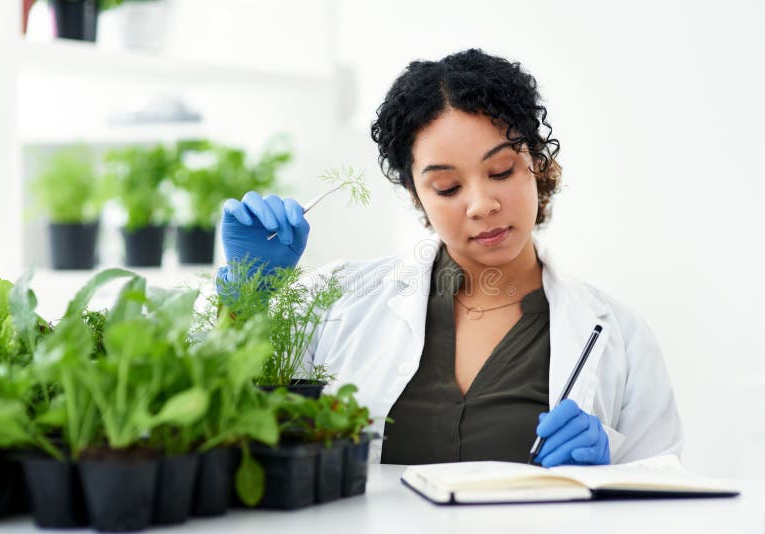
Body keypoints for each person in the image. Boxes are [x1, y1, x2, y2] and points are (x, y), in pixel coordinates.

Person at [217, 48, 683, 466]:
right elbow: (227, 428)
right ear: (416, 194)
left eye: (501, 170)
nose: (481, 204)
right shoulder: (343, 303)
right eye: (448, 187)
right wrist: (248, 296)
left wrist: (611, 471)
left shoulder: (619, 335)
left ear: (536, 163)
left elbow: (665, 487)